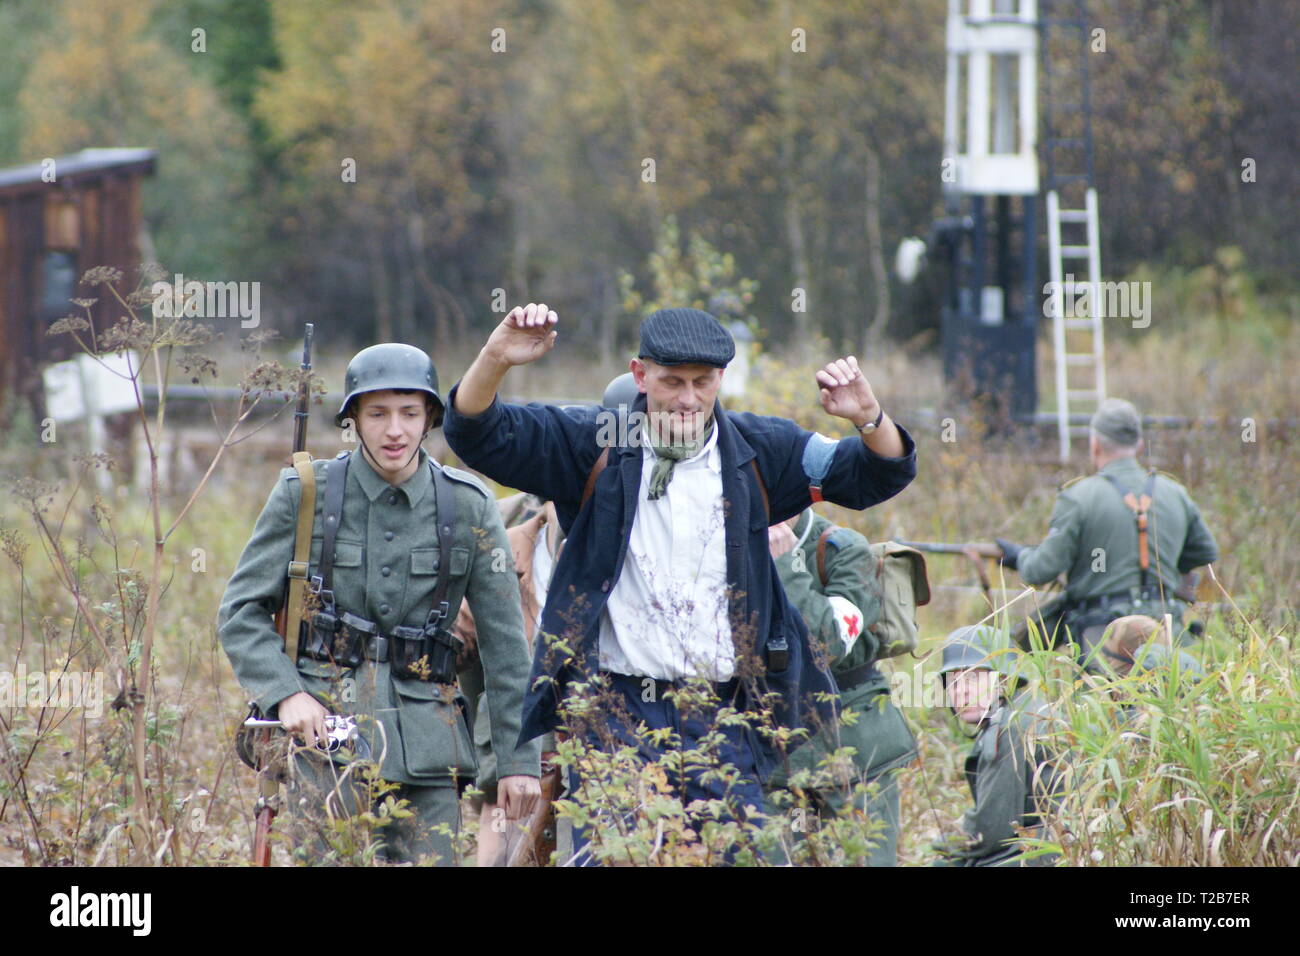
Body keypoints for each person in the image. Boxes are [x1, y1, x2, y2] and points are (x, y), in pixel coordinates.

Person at [442, 303, 917, 859]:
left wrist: (869, 418)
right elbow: (478, 433)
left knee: (744, 851)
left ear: (720, 380)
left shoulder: (763, 449)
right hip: (616, 714)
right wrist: (496, 358)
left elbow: (872, 473)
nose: (688, 399)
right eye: (671, 382)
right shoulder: (593, 443)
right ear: (640, 375)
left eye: (702, 382)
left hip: (728, 713)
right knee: (621, 853)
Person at [218, 343, 540, 864]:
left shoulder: (469, 505)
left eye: (410, 413)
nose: (396, 430)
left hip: (428, 747)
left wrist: (518, 761)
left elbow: (505, 649)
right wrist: (286, 695)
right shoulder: (306, 494)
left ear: (431, 418)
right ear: (354, 420)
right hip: (324, 737)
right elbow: (241, 612)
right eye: (378, 414)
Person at [997, 398, 1219, 660]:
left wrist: (1018, 556)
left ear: (1095, 444)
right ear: (1138, 444)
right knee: (1169, 698)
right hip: (1167, 633)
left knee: (1104, 699)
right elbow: (1204, 551)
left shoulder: (1078, 496)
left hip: (1102, 640)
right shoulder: (1174, 492)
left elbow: (1039, 570)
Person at [765, 507, 916, 865]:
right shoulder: (734, 542)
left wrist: (785, 564)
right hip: (773, 747)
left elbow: (824, 644)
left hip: (856, 744)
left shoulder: (842, 547)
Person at [933, 625, 1063, 867]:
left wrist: (940, 842)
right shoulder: (1027, 708)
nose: (962, 692)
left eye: (973, 678)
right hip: (1062, 843)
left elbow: (990, 830)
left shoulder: (1007, 728)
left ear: (1004, 679)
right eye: (954, 681)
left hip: (1054, 849)